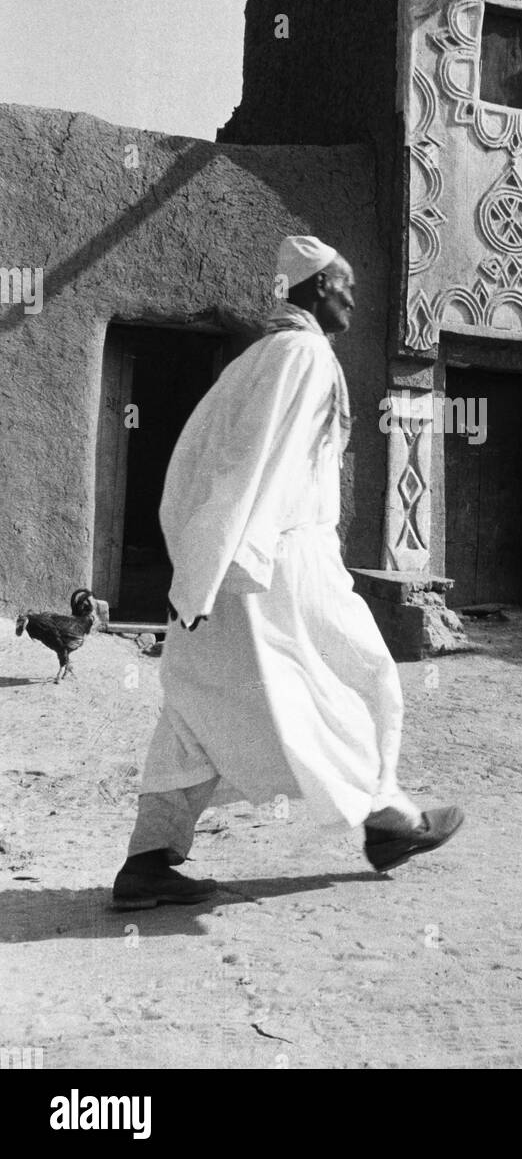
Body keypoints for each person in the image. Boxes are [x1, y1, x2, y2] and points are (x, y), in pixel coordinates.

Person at [112, 234, 463, 909]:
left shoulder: (256, 359)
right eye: (345, 284)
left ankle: (146, 864)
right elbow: (252, 461)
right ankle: (389, 823)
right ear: (314, 288)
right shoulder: (300, 354)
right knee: (357, 675)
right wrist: (220, 566)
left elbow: (196, 465)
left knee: (195, 712)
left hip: (231, 566)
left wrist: (200, 570)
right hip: (272, 563)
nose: (353, 297)